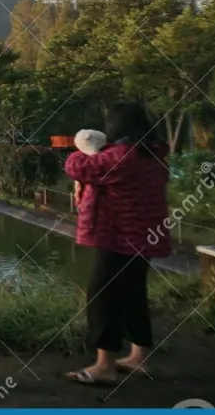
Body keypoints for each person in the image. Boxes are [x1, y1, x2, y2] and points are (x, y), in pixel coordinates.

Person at [63, 103, 171, 385]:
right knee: (134, 295)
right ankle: (139, 357)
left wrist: (84, 148)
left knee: (101, 296)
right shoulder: (153, 155)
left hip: (118, 237)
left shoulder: (122, 156)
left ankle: (104, 365)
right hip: (143, 238)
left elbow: (76, 166)